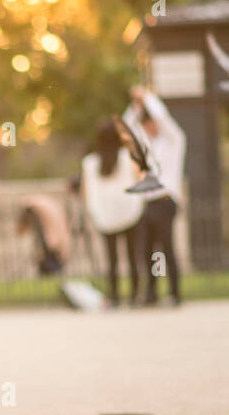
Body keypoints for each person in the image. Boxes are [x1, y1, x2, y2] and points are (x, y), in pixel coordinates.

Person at [123, 86, 186, 305]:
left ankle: (175, 293)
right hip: (146, 202)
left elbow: (163, 117)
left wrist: (148, 98)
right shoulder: (145, 147)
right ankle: (151, 293)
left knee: (167, 249)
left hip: (165, 201)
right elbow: (127, 127)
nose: (148, 126)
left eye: (149, 121)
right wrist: (136, 106)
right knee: (147, 252)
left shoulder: (174, 141)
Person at [74, 118, 145, 306]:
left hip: (105, 215)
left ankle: (114, 296)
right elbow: (139, 178)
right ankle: (135, 294)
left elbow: (85, 192)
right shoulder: (127, 157)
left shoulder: (89, 163)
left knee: (111, 258)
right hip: (129, 211)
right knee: (132, 256)